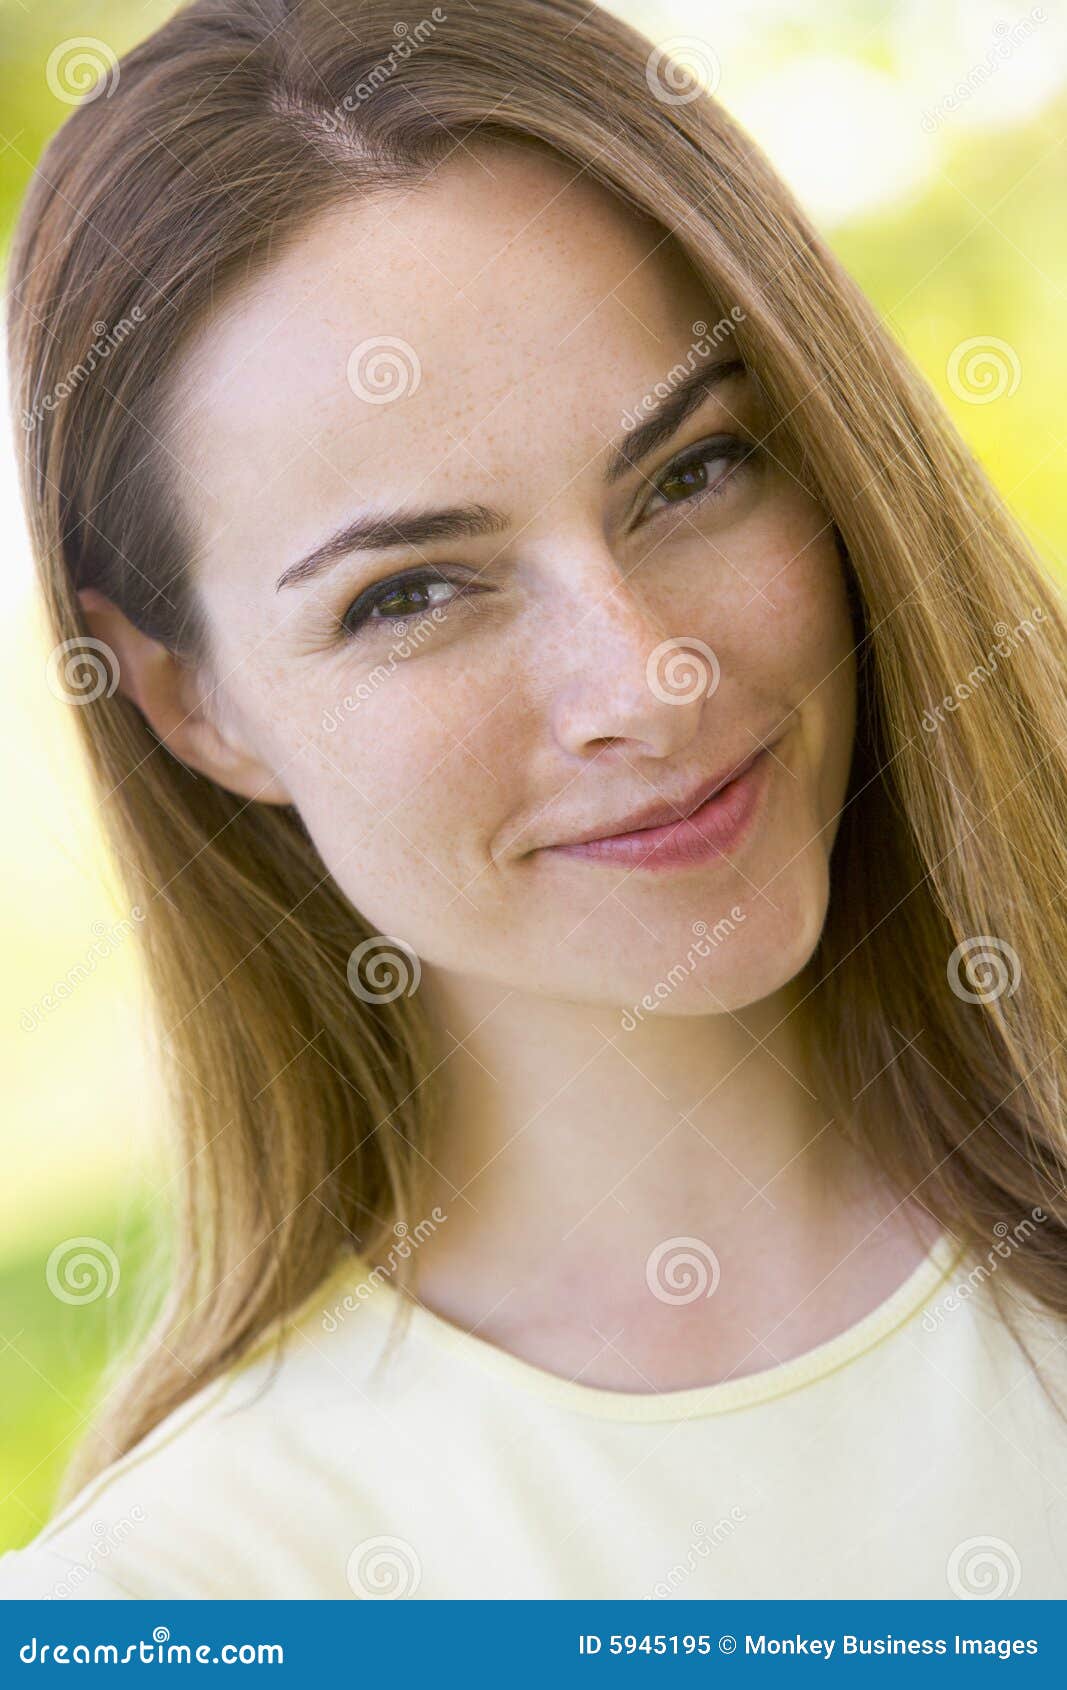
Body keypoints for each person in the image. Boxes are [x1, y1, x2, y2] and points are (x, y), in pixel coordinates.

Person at [2, 0, 1065, 1600]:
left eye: (692, 472)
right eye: (414, 590)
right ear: (186, 698)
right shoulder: (194, 1597)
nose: (649, 682)